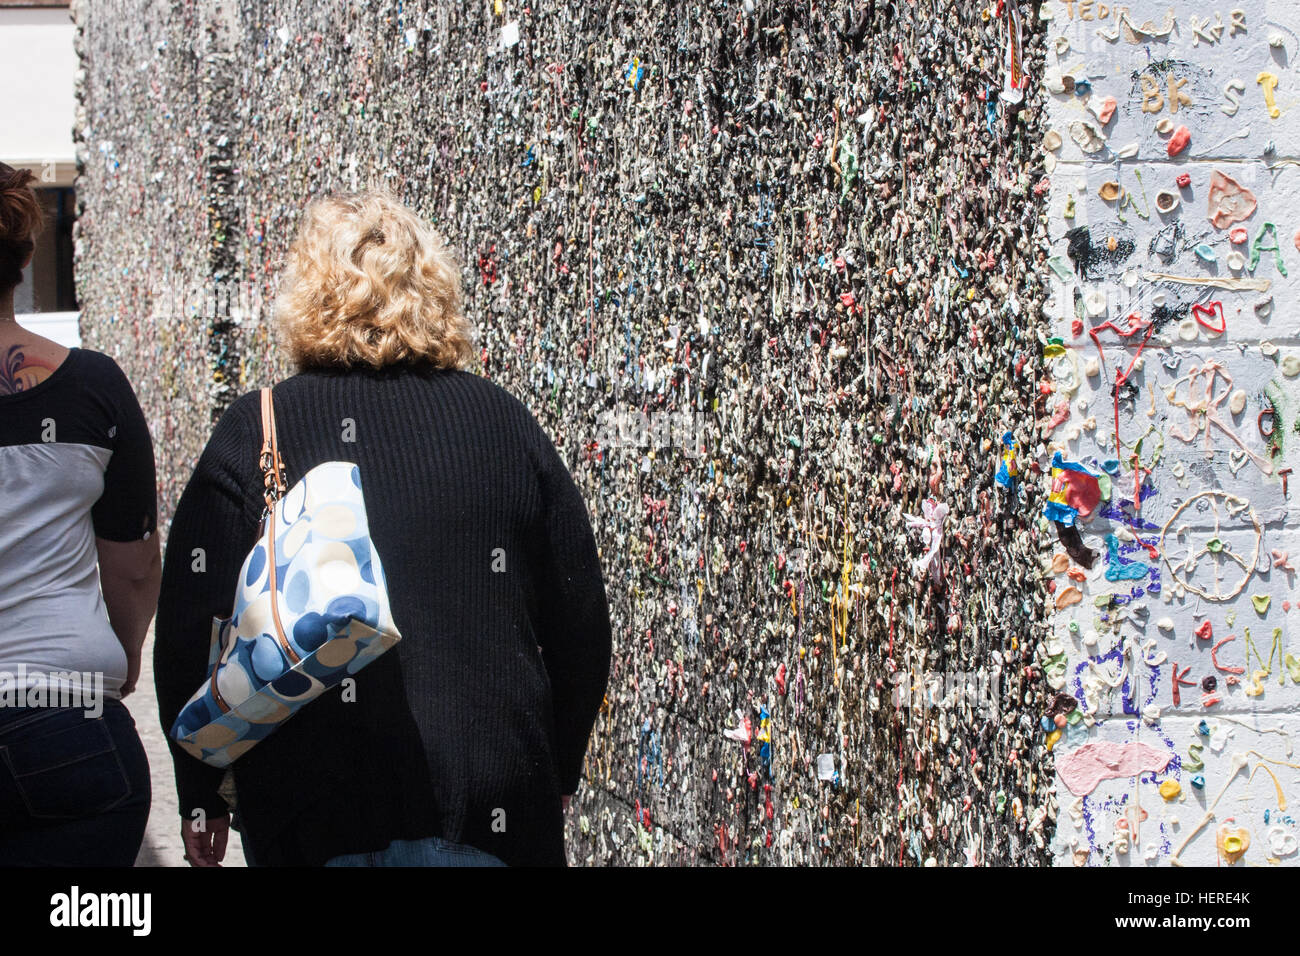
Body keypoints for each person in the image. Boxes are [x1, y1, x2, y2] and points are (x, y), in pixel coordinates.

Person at [154, 188, 612, 867]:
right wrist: (556, 771)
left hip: (311, 816)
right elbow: (581, 624)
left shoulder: (257, 429)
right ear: (434, 289)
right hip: (491, 814)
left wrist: (202, 792)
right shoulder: (503, 424)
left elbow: (190, 626)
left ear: (306, 295)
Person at [0, 163, 158, 866]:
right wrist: (125, 655)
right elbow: (131, 565)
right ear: (28, 257)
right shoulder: (93, 386)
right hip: (70, 720)